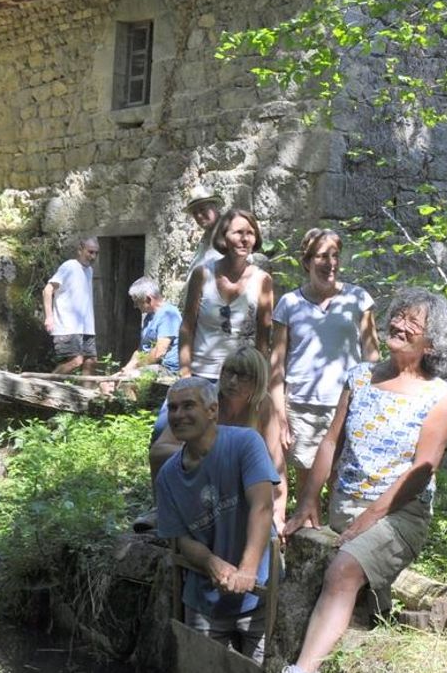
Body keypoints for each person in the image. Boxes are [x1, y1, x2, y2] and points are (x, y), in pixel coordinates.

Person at [248, 288, 447, 673]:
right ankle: (378, 609)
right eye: (397, 316)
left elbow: (423, 470)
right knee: (346, 580)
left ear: (433, 343)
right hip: (345, 508)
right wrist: (308, 500)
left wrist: (372, 518)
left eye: (412, 323)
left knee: (344, 571)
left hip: (400, 515)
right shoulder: (360, 377)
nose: (399, 326)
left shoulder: (440, 395)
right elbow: (331, 442)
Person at [154, 377, 278, 664]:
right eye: (172, 408)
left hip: (258, 595)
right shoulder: (168, 477)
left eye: (188, 406)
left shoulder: (245, 443)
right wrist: (212, 563)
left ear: (212, 410)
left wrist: (247, 570)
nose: (178, 415)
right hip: (203, 601)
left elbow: (262, 506)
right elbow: (182, 539)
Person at [270, 228, 381, 510]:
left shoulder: (359, 299)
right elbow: (277, 363)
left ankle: (334, 544)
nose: (330, 262)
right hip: (302, 405)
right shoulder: (289, 304)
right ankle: (305, 542)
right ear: (307, 262)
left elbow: (372, 354)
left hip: (346, 405)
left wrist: (372, 401)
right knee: (307, 483)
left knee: (340, 480)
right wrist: (280, 413)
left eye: (335, 255)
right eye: (321, 256)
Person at [140, 347, 286, 533]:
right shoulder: (206, 399)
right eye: (228, 372)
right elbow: (159, 451)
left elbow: (276, 460)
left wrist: (279, 509)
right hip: (199, 472)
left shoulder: (263, 405)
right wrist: (204, 455)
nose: (233, 381)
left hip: (242, 483)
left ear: (257, 380)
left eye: (243, 376)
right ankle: (162, 511)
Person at [178, 208, 274, 380]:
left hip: (243, 376)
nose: (244, 239)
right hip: (201, 375)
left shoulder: (262, 280)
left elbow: (263, 338)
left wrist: (260, 381)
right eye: (238, 233)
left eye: (250, 233)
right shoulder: (202, 275)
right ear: (224, 237)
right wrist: (185, 372)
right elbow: (187, 327)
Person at [42, 235, 99, 375]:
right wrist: (49, 317)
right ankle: (45, 388)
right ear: (80, 250)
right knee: (76, 361)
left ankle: (86, 396)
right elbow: (47, 290)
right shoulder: (69, 266)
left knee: (91, 361)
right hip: (68, 326)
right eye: (90, 252)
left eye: (96, 253)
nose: (93, 256)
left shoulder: (89, 271)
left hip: (86, 327)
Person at [118, 277, 181, 376]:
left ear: (148, 299)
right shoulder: (149, 317)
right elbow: (140, 351)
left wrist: (135, 368)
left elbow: (159, 352)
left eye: (137, 302)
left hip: (166, 369)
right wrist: (126, 369)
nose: (135, 306)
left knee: (129, 379)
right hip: (150, 367)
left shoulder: (168, 314)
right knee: (119, 377)